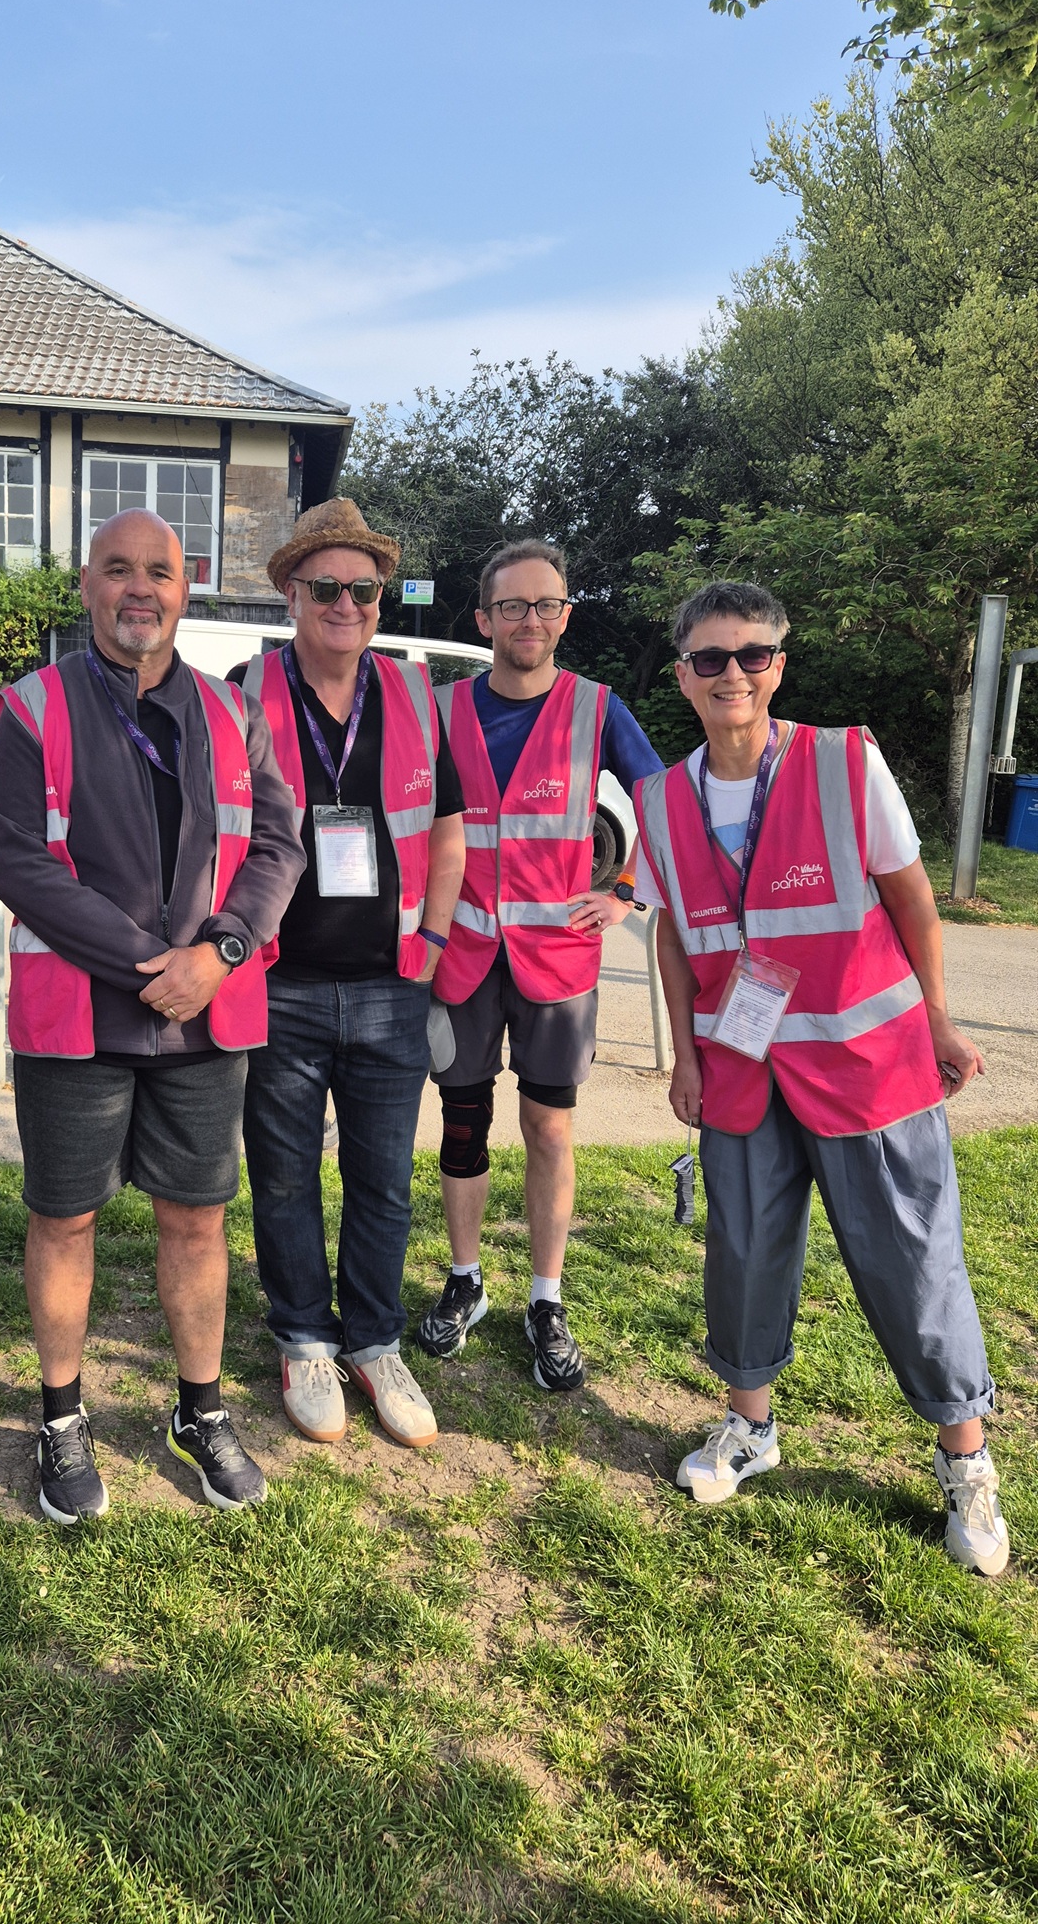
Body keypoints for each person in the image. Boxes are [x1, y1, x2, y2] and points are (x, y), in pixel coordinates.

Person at [633, 579, 1008, 1575]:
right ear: (684, 675)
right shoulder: (660, 799)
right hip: (741, 1071)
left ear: (778, 666)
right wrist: (685, 1054)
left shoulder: (845, 762)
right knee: (744, 1253)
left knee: (913, 1262)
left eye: (752, 654)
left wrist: (937, 1016)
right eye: (710, 658)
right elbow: (671, 931)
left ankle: (965, 1457)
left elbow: (911, 897)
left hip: (867, 1067)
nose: (732, 673)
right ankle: (749, 1426)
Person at [0, 509, 304, 1522]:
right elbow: (19, 864)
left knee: (197, 1219)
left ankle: (200, 1410)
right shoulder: (30, 708)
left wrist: (219, 953)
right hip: (76, 1019)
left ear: (184, 588)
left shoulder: (234, 712)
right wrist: (148, 967)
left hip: (208, 1016)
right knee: (64, 1217)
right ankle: (61, 1416)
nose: (139, 588)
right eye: (118, 568)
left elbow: (279, 846)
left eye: (158, 571)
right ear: (86, 584)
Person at [229, 498, 465, 1450]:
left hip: (389, 984)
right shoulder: (245, 691)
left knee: (382, 1183)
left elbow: (447, 831)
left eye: (363, 590)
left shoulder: (413, 692)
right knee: (284, 1178)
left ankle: (374, 1341)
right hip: (278, 984)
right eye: (325, 586)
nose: (346, 604)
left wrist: (435, 942)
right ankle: (303, 1338)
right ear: (291, 594)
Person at [415, 540, 665, 1387]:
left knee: (549, 1127)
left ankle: (546, 1299)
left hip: (558, 960)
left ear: (565, 616)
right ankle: (465, 1280)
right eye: (512, 606)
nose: (530, 619)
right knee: (462, 1122)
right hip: (460, 954)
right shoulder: (439, 707)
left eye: (546, 604)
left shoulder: (598, 708)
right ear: (483, 620)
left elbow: (665, 806)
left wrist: (625, 894)